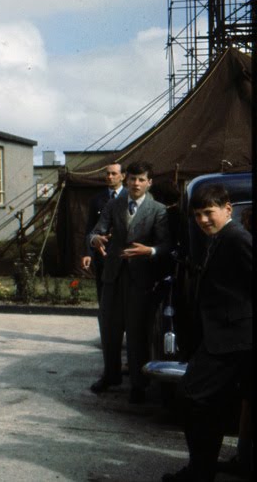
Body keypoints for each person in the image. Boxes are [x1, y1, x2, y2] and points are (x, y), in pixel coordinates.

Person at [163, 184, 252, 482]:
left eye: (208, 212)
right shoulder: (219, 238)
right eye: (198, 214)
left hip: (232, 340)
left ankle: (199, 472)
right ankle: (203, 469)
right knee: (209, 405)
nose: (202, 220)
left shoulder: (236, 238)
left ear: (227, 208)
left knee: (192, 397)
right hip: (221, 337)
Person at [88, 161, 170, 403]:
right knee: (110, 329)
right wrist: (96, 241)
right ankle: (110, 375)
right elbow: (96, 231)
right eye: (132, 179)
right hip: (113, 276)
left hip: (139, 279)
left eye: (141, 179)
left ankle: (138, 384)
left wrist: (150, 251)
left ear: (149, 182)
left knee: (136, 332)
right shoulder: (114, 204)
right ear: (126, 180)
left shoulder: (158, 210)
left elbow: (166, 245)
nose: (136, 184)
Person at [81, 163, 125, 303]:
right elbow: (90, 228)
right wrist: (88, 252)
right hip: (103, 254)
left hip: (125, 254)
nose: (109, 177)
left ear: (123, 176)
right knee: (104, 297)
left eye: (113, 173)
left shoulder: (129, 197)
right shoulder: (97, 200)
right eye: (107, 174)